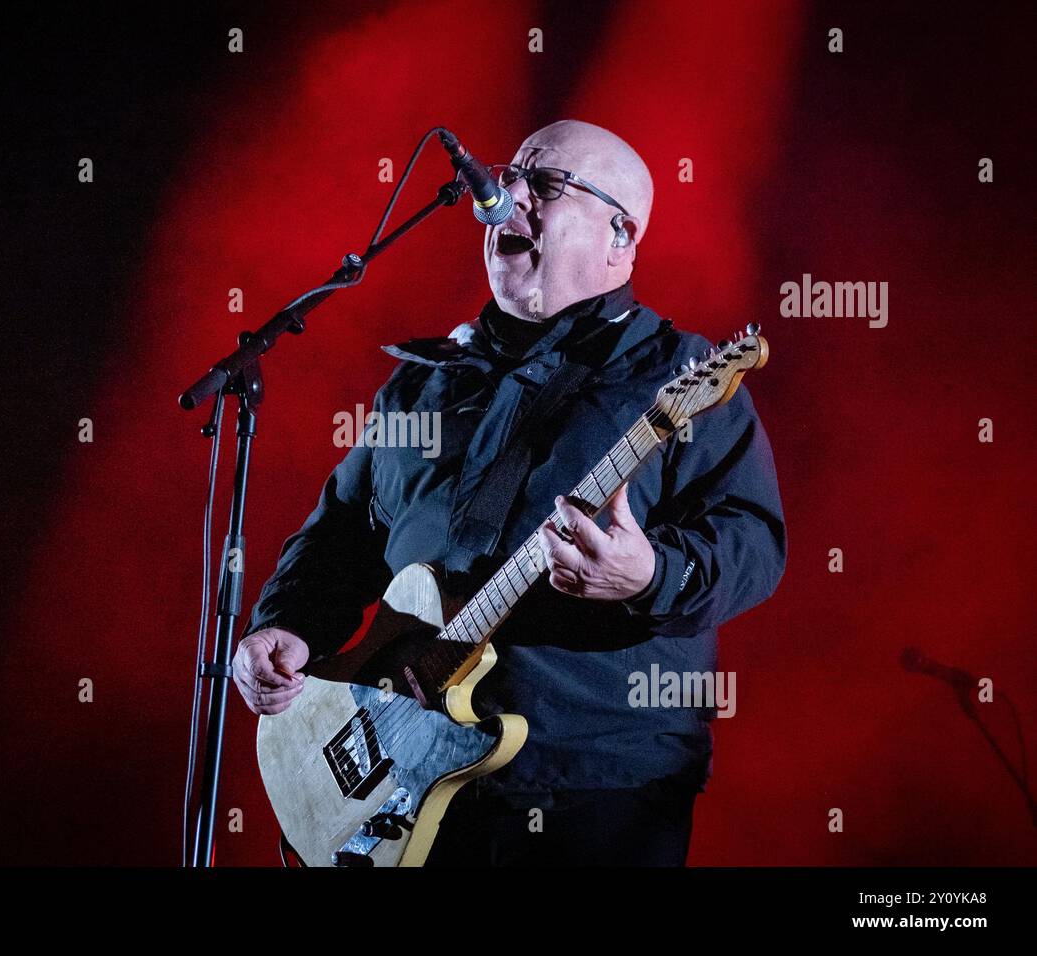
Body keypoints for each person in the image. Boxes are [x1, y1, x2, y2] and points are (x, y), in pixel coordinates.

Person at [232, 120, 787, 866]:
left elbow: (754, 542)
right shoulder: (425, 381)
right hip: (405, 776)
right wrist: (289, 625)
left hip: (591, 787)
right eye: (505, 176)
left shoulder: (677, 376)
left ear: (621, 233)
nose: (505, 198)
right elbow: (342, 531)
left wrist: (649, 574)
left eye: (545, 184)